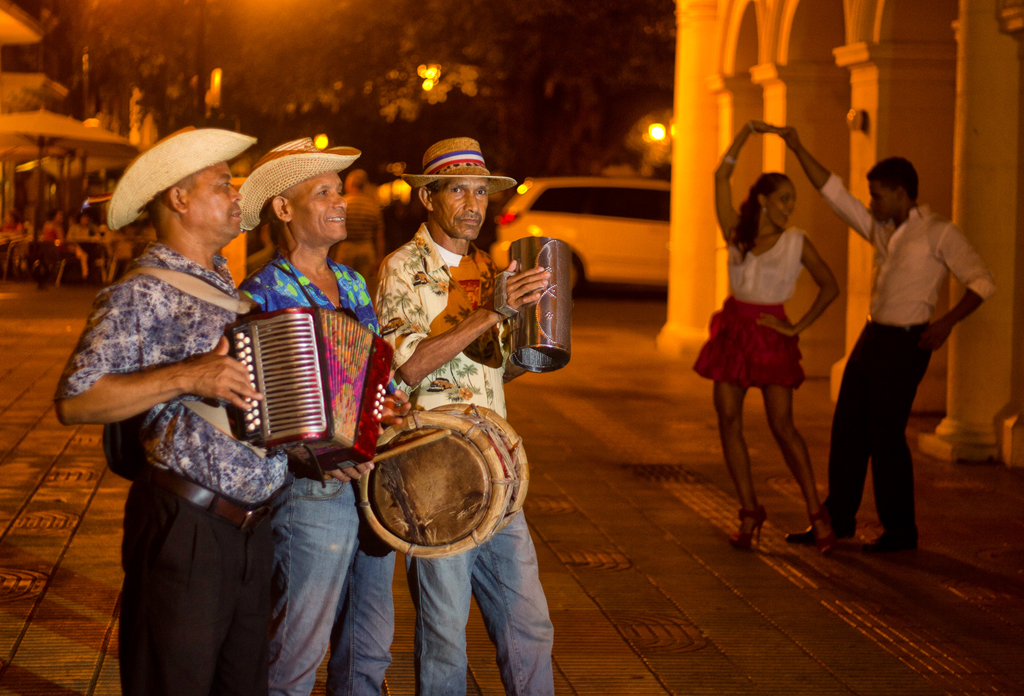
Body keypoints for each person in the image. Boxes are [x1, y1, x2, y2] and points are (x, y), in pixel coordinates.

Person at [53, 127, 290, 696]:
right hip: (188, 531)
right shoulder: (141, 293)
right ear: (179, 199)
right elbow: (75, 399)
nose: (238, 197)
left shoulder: (231, 291)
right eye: (223, 184)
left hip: (254, 533)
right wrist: (187, 375)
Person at [376, 137, 555, 696]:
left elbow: (491, 371)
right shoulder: (400, 269)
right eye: (460, 190)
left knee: (529, 626)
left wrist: (536, 342)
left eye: (481, 192)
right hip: (432, 475)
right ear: (428, 197)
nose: (474, 204)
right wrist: (493, 311)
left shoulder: (487, 267)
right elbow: (406, 367)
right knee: (445, 634)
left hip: (498, 470)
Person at [236, 137, 409, 696]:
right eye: (323, 192)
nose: (340, 202)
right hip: (312, 491)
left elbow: (370, 373)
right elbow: (251, 406)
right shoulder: (261, 294)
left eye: (339, 190)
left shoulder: (355, 283)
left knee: (370, 647)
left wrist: (387, 406)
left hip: (369, 487)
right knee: (297, 650)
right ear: (284, 209)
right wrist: (310, 453)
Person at [777, 124, 996, 553]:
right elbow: (836, 196)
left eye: (877, 194)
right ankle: (836, 521)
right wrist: (798, 147)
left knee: (886, 436)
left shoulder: (939, 232)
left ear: (900, 192)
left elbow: (983, 282)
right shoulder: (883, 230)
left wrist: (946, 322)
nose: (872, 202)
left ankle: (900, 532)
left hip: (907, 343)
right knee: (847, 430)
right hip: (873, 336)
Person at [694, 120, 840, 553]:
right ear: (763, 200)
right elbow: (720, 176)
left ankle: (817, 512)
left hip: (771, 332)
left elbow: (829, 285)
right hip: (735, 329)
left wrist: (795, 326)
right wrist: (745, 135)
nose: (788, 208)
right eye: (783, 199)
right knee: (729, 419)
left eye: (792, 200)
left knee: (782, 425)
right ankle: (749, 508)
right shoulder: (737, 235)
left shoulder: (797, 242)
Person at [329, 168, 385, 286]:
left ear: (351, 184)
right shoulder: (373, 205)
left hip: (346, 248)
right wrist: (379, 257)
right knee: (362, 285)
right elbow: (379, 235)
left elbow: (333, 232)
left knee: (343, 284)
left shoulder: (343, 204)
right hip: (366, 248)